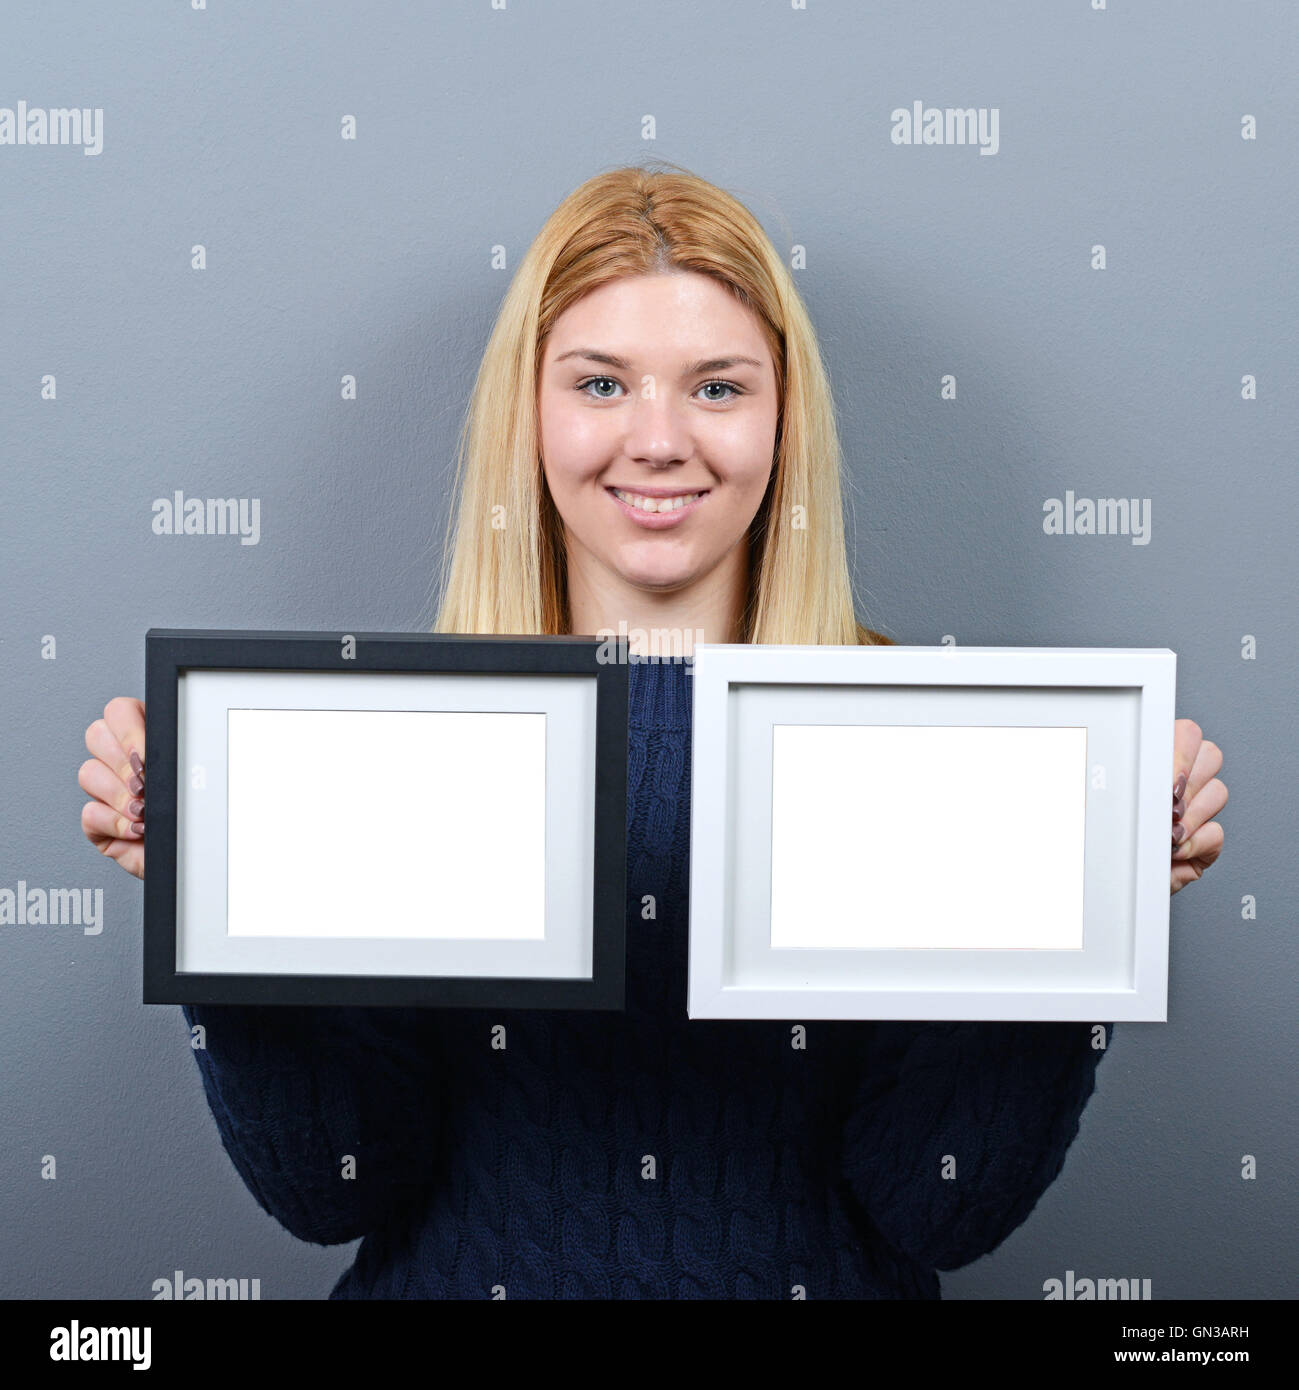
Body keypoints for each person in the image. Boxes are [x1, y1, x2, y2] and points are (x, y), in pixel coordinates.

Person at [79, 163, 1227, 1299]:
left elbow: (939, 1205)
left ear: (784, 423)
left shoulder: (935, 747)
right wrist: (215, 918)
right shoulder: (393, 742)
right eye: (601, 384)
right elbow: (332, 1191)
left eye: (718, 388)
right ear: (528, 414)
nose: (660, 440)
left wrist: (1086, 926)